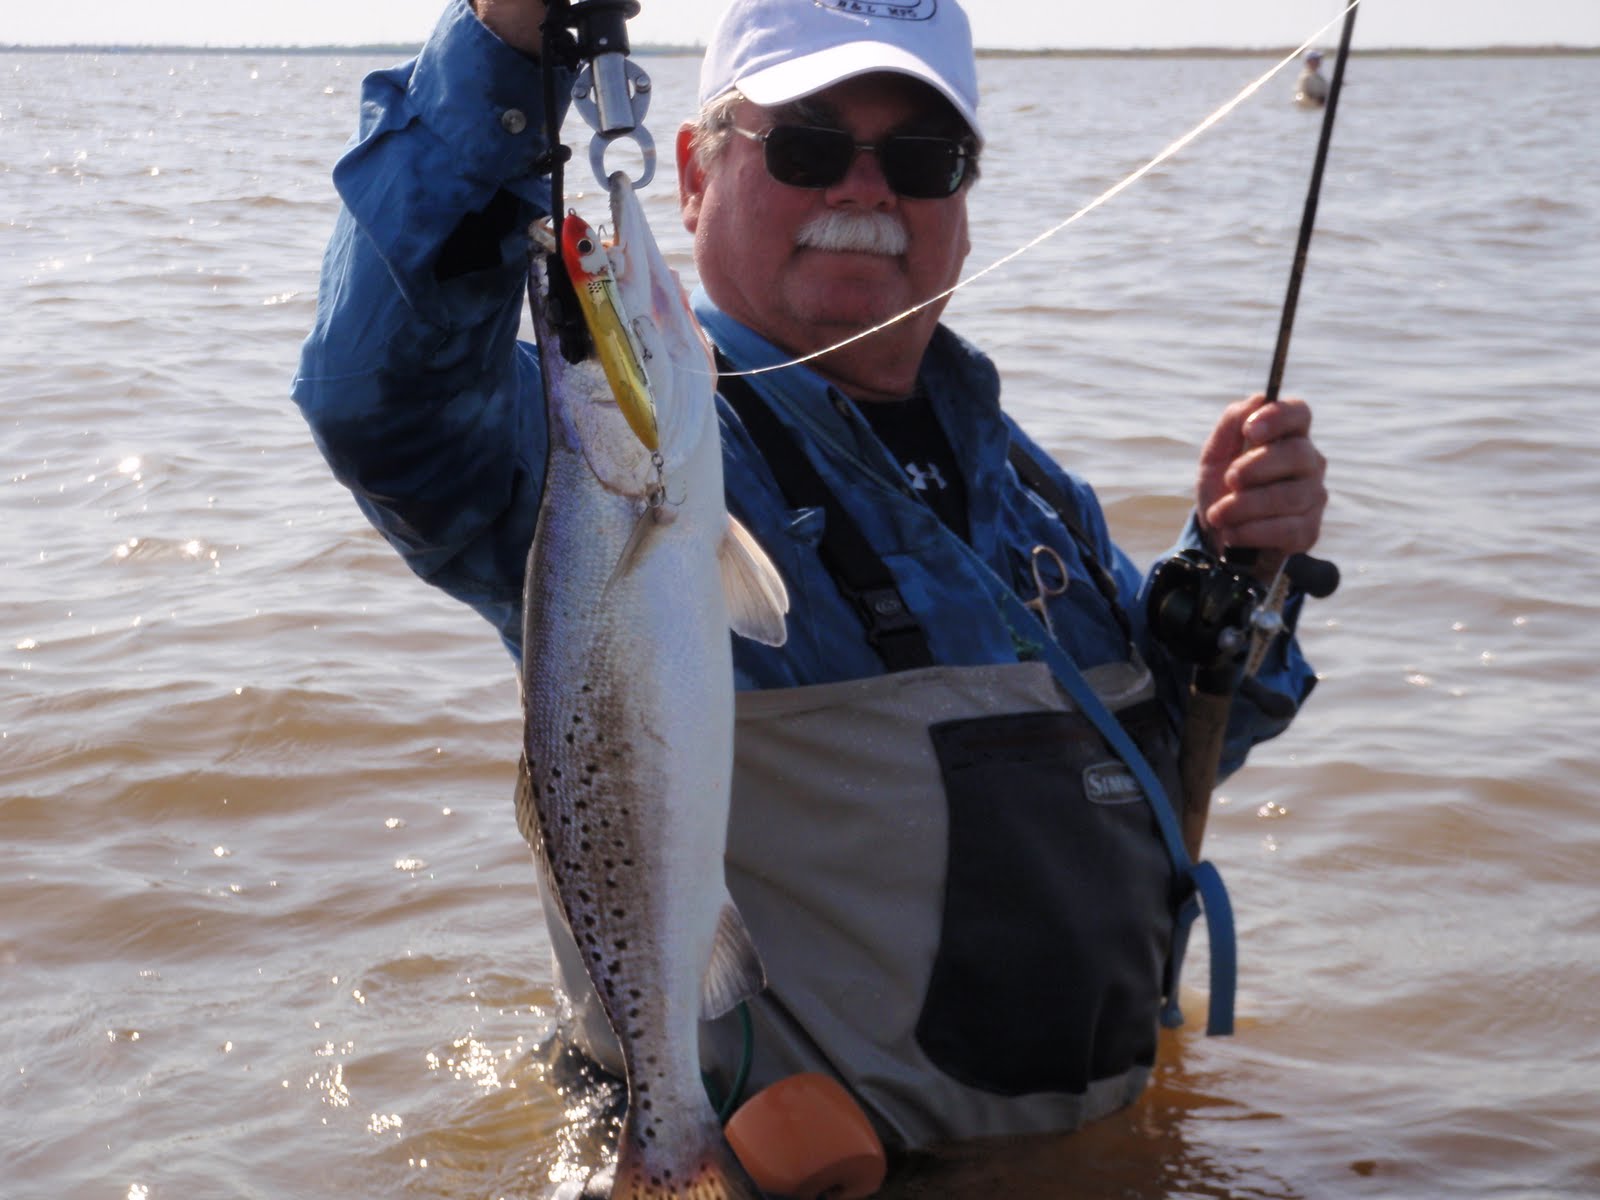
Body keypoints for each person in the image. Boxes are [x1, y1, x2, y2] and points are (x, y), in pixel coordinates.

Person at [294, 0, 1329, 1157]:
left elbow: (1149, 776)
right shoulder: (578, 453)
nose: (864, 190)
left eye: (922, 157)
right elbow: (383, 406)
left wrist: (1233, 578)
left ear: (964, 202)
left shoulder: (1034, 491)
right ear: (694, 176)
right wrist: (507, 49)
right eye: (808, 146)